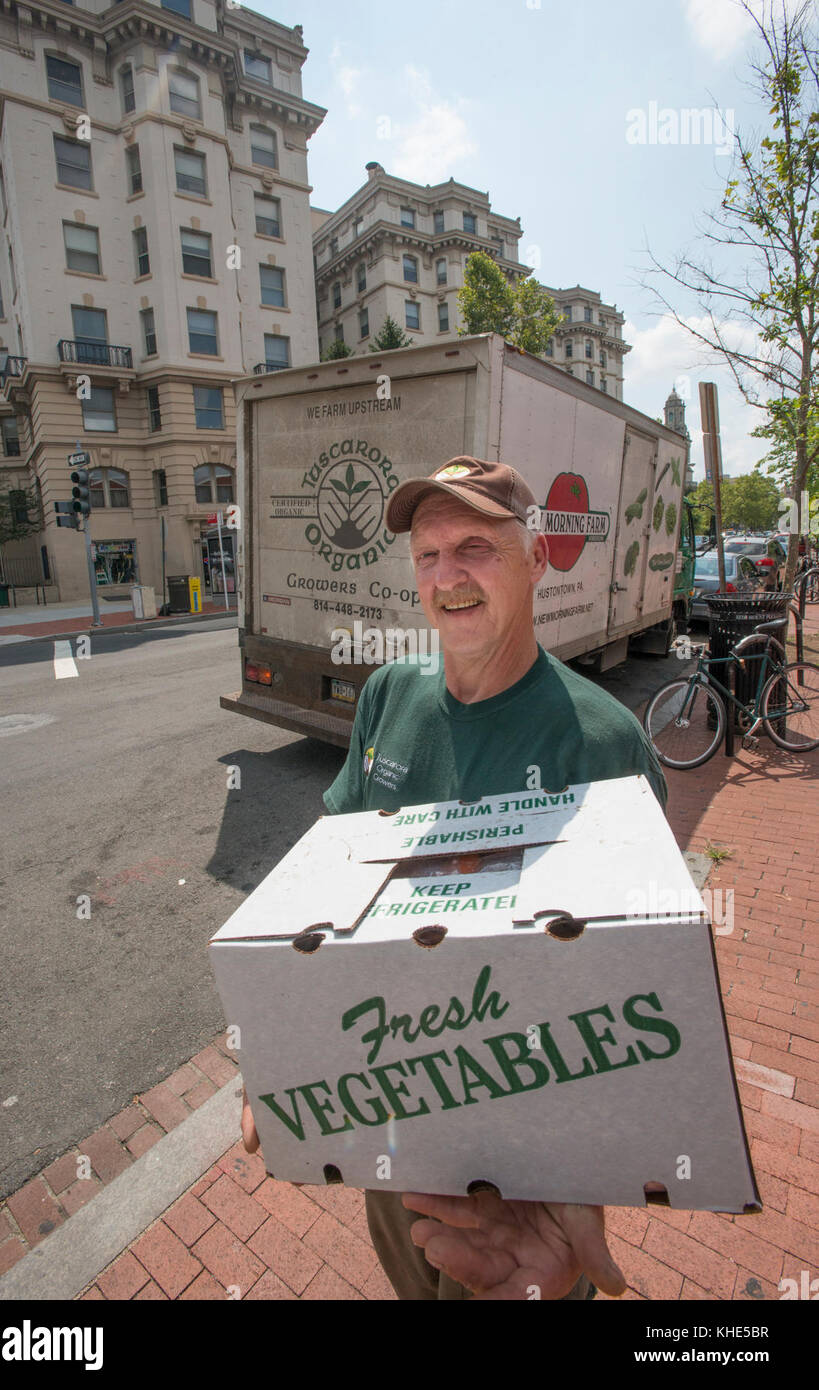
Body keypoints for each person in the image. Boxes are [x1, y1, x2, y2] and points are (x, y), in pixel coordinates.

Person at [242, 455, 667, 1300]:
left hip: (533, 1168)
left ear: (535, 559)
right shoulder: (388, 697)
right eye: (428, 555)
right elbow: (333, 888)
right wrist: (281, 1039)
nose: (447, 575)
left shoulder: (604, 741)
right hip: (390, 1114)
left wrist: (591, 1159)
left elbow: (648, 973)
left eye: (474, 546)